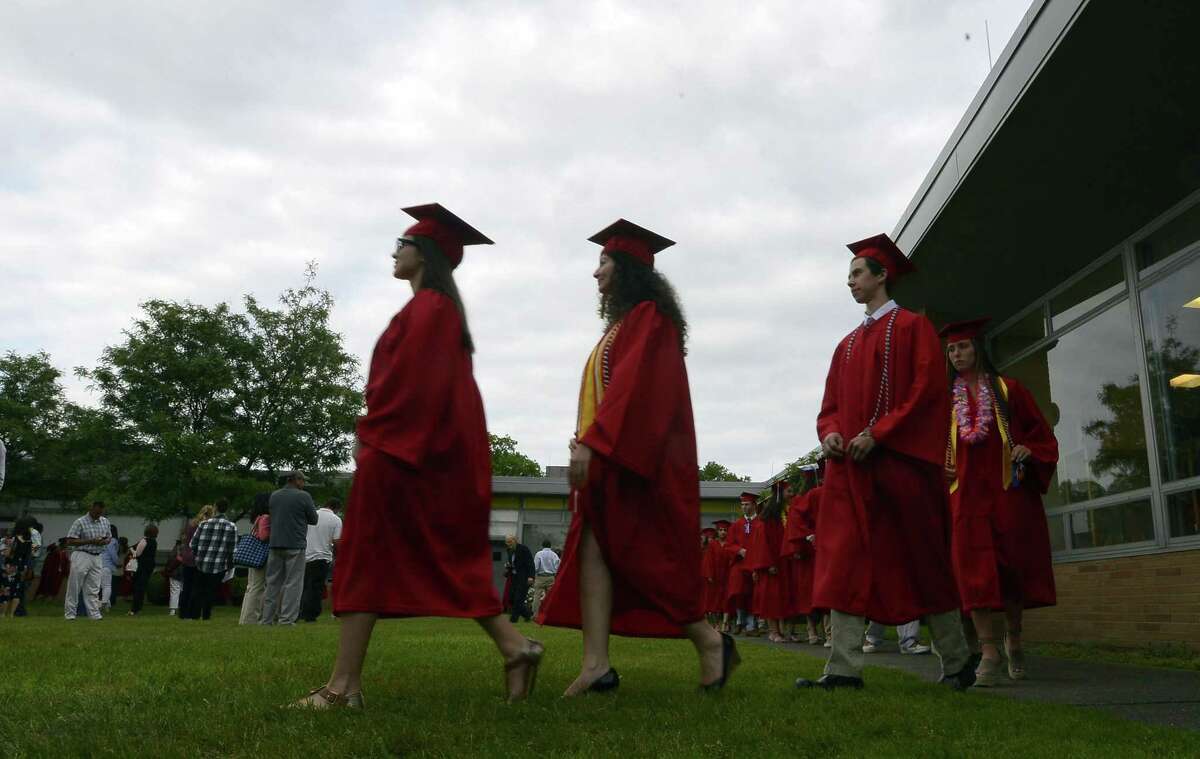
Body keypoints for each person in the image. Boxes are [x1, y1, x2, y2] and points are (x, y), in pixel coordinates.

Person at [294, 203, 542, 709]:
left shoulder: (430, 309)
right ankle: (516, 646)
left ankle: (343, 689)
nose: (394, 250)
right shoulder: (431, 309)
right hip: (408, 450)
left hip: (402, 452)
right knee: (434, 560)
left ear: (424, 253)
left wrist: (372, 434)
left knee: (370, 557)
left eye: (402, 243)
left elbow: (416, 388)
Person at [538, 219, 737, 695]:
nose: (595, 273)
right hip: (614, 456)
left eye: (604, 261)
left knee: (648, 560)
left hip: (641, 464)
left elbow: (634, 391)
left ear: (626, 268)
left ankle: (710, 641)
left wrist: (595, 442)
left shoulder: (650, 317)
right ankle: (596, 665)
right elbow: (610, 392)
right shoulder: (625, 324)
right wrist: (587, 438)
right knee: (595, 550)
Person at [798, 233, 973, 692]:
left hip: (901, 465)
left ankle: (956, 660)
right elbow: (829, 405)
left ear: (882, 275)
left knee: (924, 560)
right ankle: (842, 668)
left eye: (857, 273)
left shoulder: (914, 327)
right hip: (851, 471)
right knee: (844, 561)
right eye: (849, 275)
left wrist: (879, 433)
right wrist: (831, 433)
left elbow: (926, 393)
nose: (850, 282)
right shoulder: (847, 345)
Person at [942, 317, 1059, 685]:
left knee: (1012, 570)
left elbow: (1041, 435)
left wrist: (1029, 448)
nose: (956, 354)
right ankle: (988, 651)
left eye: (962, 346)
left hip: (1008, 493)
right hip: (966, 499)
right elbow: (933, 449)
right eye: (950, 349)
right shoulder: (945, 403)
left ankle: (1015, 639)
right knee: (972, 573)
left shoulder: (1010, 391)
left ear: (978, 348)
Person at [261, 475, 318, 626]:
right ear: (295, 480)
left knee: (272, 583)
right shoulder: (304, 496)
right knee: (293, 583)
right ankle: (286, 619)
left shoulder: (275, 495)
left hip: (275, 543)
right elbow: (314, 519)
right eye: (302, 480)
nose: (304, 483)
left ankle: (266, 619)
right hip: (295, 544)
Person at [746, 483, 792, 643]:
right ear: (779, 494)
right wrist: (768, 564)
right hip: (770, 565)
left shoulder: (783, 514)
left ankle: (780, 631)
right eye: (789, 491)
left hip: (783, 563)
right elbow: (761, 544)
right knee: (771, 599)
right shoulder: (766, 520)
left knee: (781, 599)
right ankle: (773, 632)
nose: (791, 494)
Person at [187, 501, 238, 621]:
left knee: (198, 590)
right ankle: (206, 615)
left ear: (215, 508)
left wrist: (197, 555)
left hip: (201, 562)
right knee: (211, 591)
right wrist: (230, 565)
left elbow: (193, 544)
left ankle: (194, 615)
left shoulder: (204, 524)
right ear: (226, 509)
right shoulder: (231, 526)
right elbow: (232, 548)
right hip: (219, 564)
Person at [63, 501, 112, 620]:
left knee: (94, 587)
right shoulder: (80, 522)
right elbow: (70, 540)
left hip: (97, 555)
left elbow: (109, 537)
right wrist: (90, 541)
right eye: (96, 512)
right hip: (82, 554)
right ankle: (70, 614)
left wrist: (105, 541)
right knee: (75, 585)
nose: (98, 515)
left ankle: (94, 614)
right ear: (91, 508)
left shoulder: (105, 521)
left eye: (100, 513)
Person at [301, 498, 343, 623]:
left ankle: (298, 611)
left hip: (305, 554)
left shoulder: (312, 514)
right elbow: (337, 541)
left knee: (303, 585)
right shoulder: (336, 520)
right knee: (316, 587)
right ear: (336, 508)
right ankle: (310, 614)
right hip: (322, 556)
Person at [724, 493, 760, 636]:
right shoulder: (736, 525)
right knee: (738, 592)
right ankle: (740, 620)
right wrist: (739, 550)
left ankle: (752, 625)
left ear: (754, 505)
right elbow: (729, 545)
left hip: (756, 563)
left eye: (747, 504)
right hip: (739, 564)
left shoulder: (761, 523)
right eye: (742, 505)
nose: (744, 507)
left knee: (754, 593)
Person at [239, 493, 271, 625]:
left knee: (251, 586)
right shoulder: (266, 517)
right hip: (261, 556)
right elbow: (263, 536)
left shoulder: (257, 517)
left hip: (252, 556)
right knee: (258, 587)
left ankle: (245, 618)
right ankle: (251, 618)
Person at [178, 504, 214, 620]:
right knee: (197, 588)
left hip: (187, 557)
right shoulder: (206, 526)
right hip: (198, 558)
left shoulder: (192, 524)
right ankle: (192, 613)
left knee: (186, 587)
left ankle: (183, 613)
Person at [702, 520, 733, 631]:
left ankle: (725, 623)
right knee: (714, 602)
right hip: (715, 578)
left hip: (727, 577)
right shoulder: (712, 545)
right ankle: (715, 624)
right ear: (717, 532)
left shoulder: (730, 544)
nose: (723, 532)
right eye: (720, 530)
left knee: (726, 601)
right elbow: (708, 561)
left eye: (725, 530)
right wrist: (709, 575)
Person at [1, 520, 33, 618]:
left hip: (10, 566)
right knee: (16, 593)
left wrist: (3, 550)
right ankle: (11, 614)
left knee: (6, 590)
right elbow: (28, 555)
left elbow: (7, 553)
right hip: (22, 568)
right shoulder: (29, 541)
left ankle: (2, 614)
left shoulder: (14, 540)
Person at [128, 524, 159, 615]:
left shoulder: (144, 541)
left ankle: (134, 609)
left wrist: (131, 550)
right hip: (149, 567)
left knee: (137, 588)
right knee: (142, 588)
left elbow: (137, 554)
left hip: (141, 567)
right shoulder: (154, 542)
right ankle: (138, 608)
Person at [504, 535, 535, 623]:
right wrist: (509, 566)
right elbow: (513, 563)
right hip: (514, 578)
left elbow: (530, 563)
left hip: (524, 578)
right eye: (507, 542)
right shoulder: (509, 550)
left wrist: (531, 576)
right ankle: (527, 614)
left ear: (515, 541)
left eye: (510, 542)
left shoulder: (524, 549)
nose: (508, 544)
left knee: (518, 599)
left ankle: (513, 619)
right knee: (512, 598)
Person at [530, 539, 560, 618]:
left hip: (540, 577)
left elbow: (535, 567)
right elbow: (557, 567)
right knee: (550, 597)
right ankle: (550, 615)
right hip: (550, 577)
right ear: (550, 546)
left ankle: (535, 615)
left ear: (542, 545)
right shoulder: (554, 555)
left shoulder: (539, 554)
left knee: (537, 596)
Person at [99, 527, 122, 610]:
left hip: (98, 564)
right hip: (107, 565)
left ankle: (106, 604)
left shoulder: (101, 540)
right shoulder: (113, 541)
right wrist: (117, 563)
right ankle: (104, 603)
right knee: (107, 585)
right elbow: (113, 554)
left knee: (100, 586)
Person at [162, 541, 183, 616]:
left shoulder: (177, 548)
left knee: (174, 591)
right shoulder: (192, 546)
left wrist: (168, 569)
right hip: (187, 572)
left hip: (175, 572)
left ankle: (173, 610)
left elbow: (171, 559)